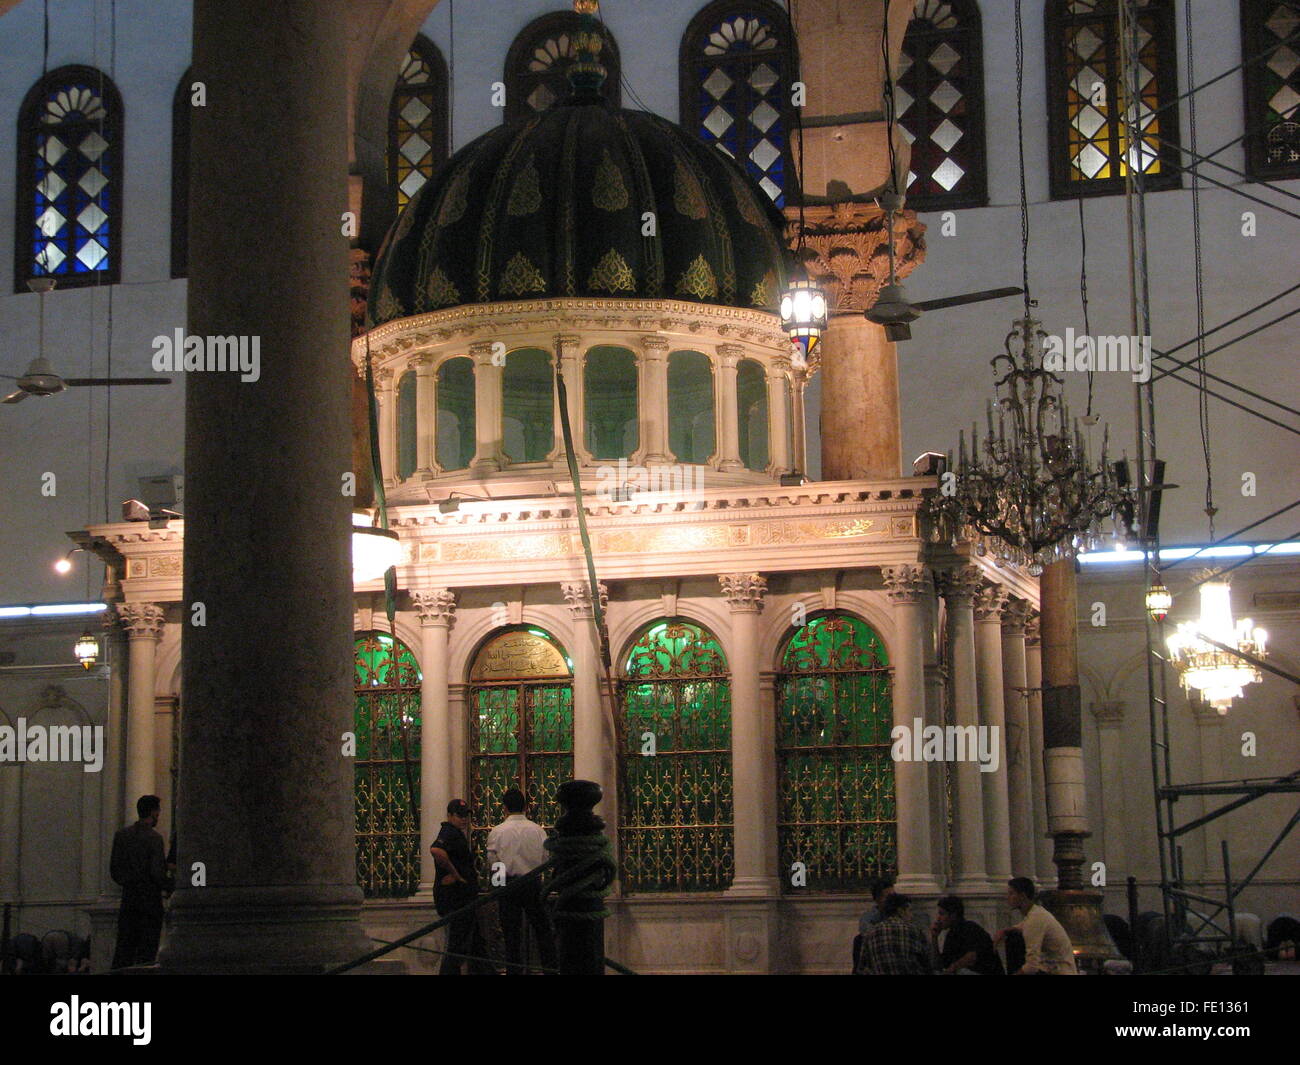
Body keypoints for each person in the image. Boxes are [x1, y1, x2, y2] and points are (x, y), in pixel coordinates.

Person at [486, 787, 558, 975]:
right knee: (543, 931)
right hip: (533, 883)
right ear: (525, 806)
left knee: (511, 934)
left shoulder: (497, 831)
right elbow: (546, 858)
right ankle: (550, 969)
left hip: (509, 886)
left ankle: (514, 971)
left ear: (505, 808)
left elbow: (494, 862)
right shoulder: (537, 831)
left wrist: (499, 888)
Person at [429, 798, 492, 975]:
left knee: (473, 942)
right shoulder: (448, 831)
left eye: (466, 816)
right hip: (455, 898)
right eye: (460, 815)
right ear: (449, 816)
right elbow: (436, 850)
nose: (464, 819)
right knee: (458, 943)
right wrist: (457, 875)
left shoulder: (455, 833)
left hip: (463, 897)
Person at [110, 795, 167, 969]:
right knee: (146, 955)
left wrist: (130, 883)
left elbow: (114, 870)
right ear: (153, 812)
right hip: (149, 903)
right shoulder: (154, 838)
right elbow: (157, 873)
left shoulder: (121, 836)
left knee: (124, 950)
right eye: (158, 811)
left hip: (129, 901)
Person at [995, 877, 1080, 975]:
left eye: (1011, 893)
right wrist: (1004, 931)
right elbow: (1023, 925)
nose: (1007, 897)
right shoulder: (1036, 913)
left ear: (1022, 896)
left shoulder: (1035, 919)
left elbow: (1031, 967)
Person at [858, 892, 932, 974]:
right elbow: (928, 963)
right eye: (909, 910)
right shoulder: (915, 931)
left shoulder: (870, 934)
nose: (912, 915)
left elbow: (862, 968)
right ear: (900, 911)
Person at [931, 895, 1004, 975]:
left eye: (942, 914)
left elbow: (972, 957)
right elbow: (939, 965)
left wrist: (952, 968)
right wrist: (934, 938)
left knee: (961, 971)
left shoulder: (970, 928)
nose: (938, 918)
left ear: (953, 915)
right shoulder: (951, 935)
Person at [853, 874, 896, 971]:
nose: (892, 900)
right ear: (877, 899)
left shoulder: (899, 912)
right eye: (888, 897)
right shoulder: (869, 918)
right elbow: (868, 935)